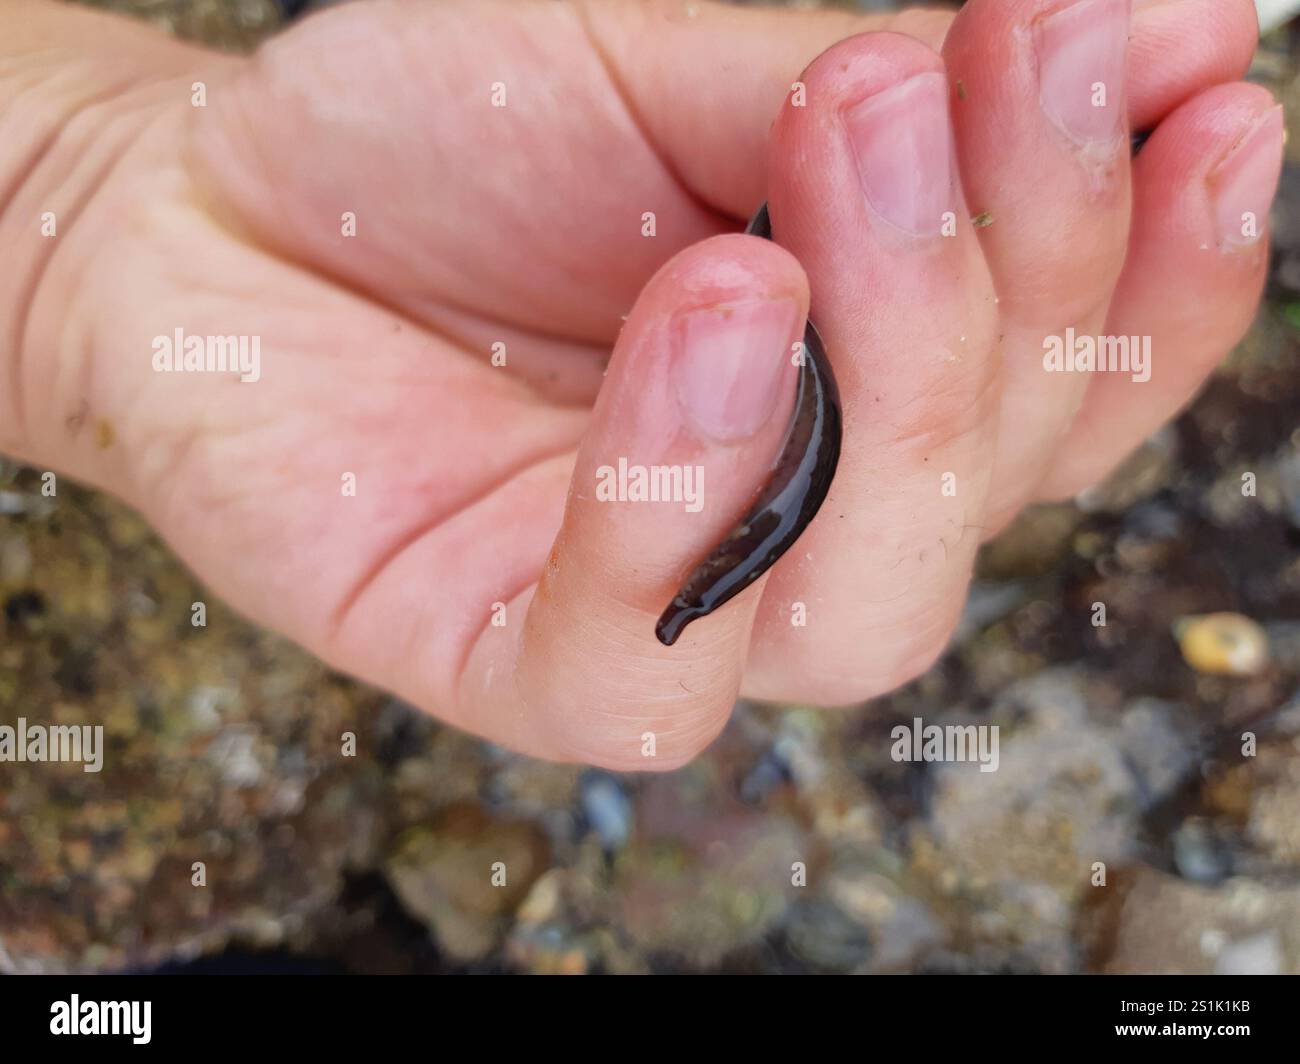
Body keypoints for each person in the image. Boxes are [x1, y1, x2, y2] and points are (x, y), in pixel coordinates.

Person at [0, 0, 1277, 769]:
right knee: (861, 349)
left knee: (873, 342)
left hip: (804, 293)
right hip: (796, 300)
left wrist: (100, 189)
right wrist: (95, 200)